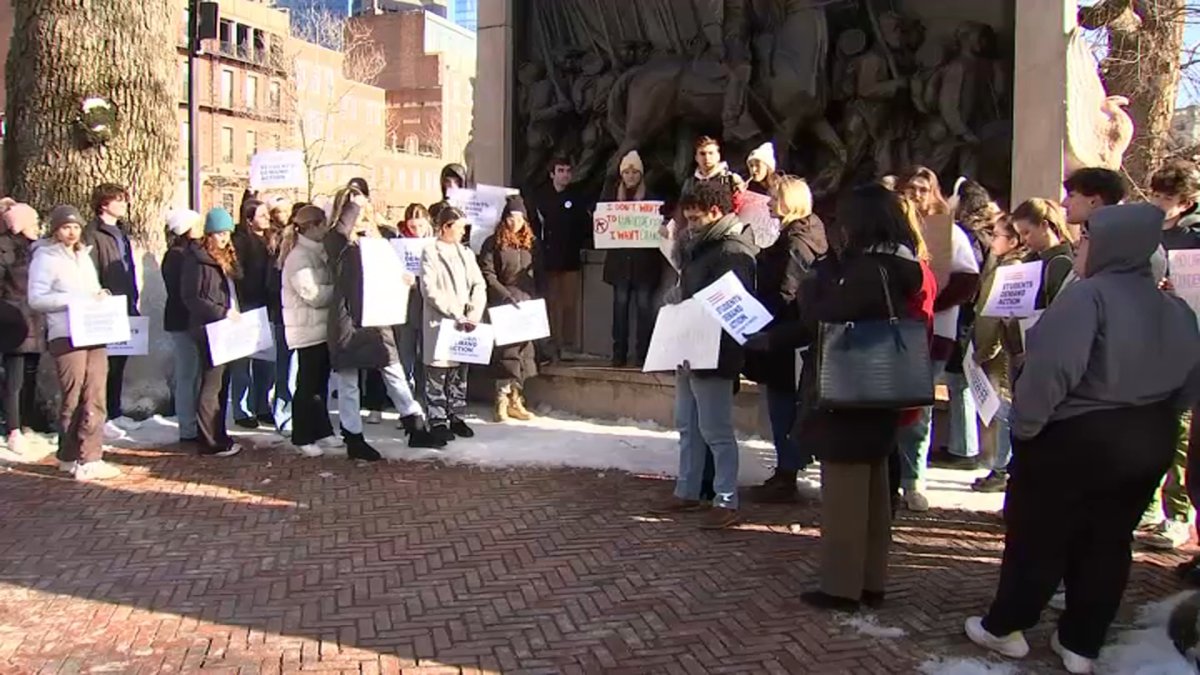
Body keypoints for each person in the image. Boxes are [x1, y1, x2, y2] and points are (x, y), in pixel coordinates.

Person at [964, 203, 1200, 675]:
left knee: (1039, 536)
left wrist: (1027, 429)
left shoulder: (1087, 298)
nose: (1079, 245)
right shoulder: (1176, 309)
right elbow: (1189, 385)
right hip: (1149, 436)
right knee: (1109, 540)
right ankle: (1082, 641)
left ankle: (1006, 627)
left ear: (1112, 244)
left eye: (1087, 237)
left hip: (1078, 436)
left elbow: (1050, 374)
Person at [748, 184, 935, 610]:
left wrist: (812, 286)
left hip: (849, 393)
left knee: (845, 497)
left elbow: (821, 317)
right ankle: (871, 581)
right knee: (874, 495)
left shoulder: (866, 271)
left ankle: (841, 586)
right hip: (881, 392)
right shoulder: (901, 264)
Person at [650, 179, 756, 530]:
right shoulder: (698, 246)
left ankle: (726, 499)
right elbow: (691, 288)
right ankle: (688, 489)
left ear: (716, 212)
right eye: (688, 218)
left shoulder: (731, 250)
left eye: (696, 218)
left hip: (716, 352)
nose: (691, 225)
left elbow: (734, 304)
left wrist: (691, 302)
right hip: (690, 347)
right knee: (687, 424)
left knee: (715, 429)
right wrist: (678, 298)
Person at [325, 188, 443, 457]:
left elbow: (391, 270)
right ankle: (353, 437)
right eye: (355, 209)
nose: (361, 214)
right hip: (349, 318)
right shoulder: (337, 242)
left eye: (363, 209)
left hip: (377, 316)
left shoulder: (379, 239)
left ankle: (415, 427)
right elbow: (339, 233)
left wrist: (404, 279)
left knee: (394, 371)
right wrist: (353, 206)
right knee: (349, 381)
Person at [898, 166, 980, 511]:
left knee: (918, 409)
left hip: (934, 331)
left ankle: (913, 480)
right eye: (911, 189)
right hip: (896, 330)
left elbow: (968, 278)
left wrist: (932, 302)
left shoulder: (951, 234)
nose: (917, 195)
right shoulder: (896, 229)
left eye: (923, 189)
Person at [744, 176, 827, 503]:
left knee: (783, 407)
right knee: (787, 405)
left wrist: (758, 320)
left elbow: (787, 293)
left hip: (784, 337)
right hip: (789, 335)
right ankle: (787, 468)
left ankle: (787, 472)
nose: (767, 203)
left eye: (773, 197)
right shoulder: (808, 234)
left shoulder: (795, 243)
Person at [28, 205, 122, 479]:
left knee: (95, 395)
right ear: (56, 230)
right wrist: (74, 300)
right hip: (66, 334)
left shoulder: (84, 256)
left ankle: (90, 456)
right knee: (73, 396)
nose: (71, 232)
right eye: (66, 227)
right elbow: (37, 299)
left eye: (76, 227)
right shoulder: (45, 258)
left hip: (93, 330)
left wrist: (99, 296)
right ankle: (69, 454)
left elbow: (90, 289)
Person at [1142, 161, 1200, 551]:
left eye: (1166, 197)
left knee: (1180, 430)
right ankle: (1145, 503)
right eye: (1155, 194)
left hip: (1186, 341)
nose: (1158, 203)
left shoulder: (1194, 238)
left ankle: (1176, 512)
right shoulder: (1143, 233)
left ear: (1185, 202)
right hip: (1147, 337)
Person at [278, 205, 346, 458]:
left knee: (320, 383)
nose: (326, 228)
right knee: (307, 384)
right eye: (322, 223)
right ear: (313, 226)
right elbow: (313, 295)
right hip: (306, 327)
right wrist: (339, 289)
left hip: (321, 327)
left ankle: (322, 429)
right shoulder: (299, 257)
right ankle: (302, 434)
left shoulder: (318, 251)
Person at [180, 209, 246, 459]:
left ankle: (220, 434)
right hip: (209, 327)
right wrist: (221, 312)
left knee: (222, 383)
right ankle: (209, 440)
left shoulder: (225, 258)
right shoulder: (196, 260)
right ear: (209, 234)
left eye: (227, 233)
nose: (224, 238)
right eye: (219, 233)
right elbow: (192, 297)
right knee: (212, 383)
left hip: (227, 326)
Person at [422, 207, 488, 442]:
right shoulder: (431, 251)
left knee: (459, 372)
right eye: (458, 227)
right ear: (445, 227)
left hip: (465, 322)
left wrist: (474, 312)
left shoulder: (466, 253)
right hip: (441, 321)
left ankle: (457, 415)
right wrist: (454, 312)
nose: (462, 232)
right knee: (438, 372)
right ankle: (437, 418)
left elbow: (479, 284)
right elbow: (430, 290)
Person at [969, 216, 1026, 493]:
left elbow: (997, 315)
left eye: (997, 235)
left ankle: (1001, 468)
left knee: (1002, 409)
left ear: (1013, 241)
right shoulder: (999, 265)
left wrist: (984, 350)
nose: (992, 241)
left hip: (999, 353)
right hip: (991, 348)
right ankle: (999, 465)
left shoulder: (1011, 270)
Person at [480, 196, 543, 423]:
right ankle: (501, 399)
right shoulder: (493, 243)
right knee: (507, 354)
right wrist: (505, 295)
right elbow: (488, 273)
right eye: (510, 217)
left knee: (525, 353)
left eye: (518, 218)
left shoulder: (531, 243)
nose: (514, 222)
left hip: (527, 302)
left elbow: (539, 274)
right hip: (504, 302)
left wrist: (536, 299)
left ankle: (517, 399)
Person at [83, 183, 140, 435]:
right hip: (105, 305)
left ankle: (115, 411)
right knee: (103, 364)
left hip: (125, 302)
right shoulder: (93, 233)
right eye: (118, 200)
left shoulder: (121, 232)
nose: (124, 204)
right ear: (104, 204)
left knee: (120, 360)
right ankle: (101, 415)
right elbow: (90, 268)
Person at [602, 151, 664, 367]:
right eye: (627, 172)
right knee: (619, 310)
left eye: (635, 172)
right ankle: (618, 354)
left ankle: (642, 354)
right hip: (620, 264)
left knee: (644, 309)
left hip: (644, 265)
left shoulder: (652, 199)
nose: (630, 176)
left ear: (641, 175)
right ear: (621, 174)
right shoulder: (611, 198)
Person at [528, 157, 591, 359]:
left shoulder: (577, 198)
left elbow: (585, 227)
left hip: (570, 260)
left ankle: (567, 345)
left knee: (569, 305)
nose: (565, 174)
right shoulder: (541, 198)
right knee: (551, 303)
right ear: (552, 174)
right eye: (561, 170)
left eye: (568, 171)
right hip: (548, 260)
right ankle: (550, 345)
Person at [0, 203, 45, 454]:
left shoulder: (36, 249)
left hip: (35, 317)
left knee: (31, 374)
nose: (36, 226)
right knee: (14, 378)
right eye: (33, 221)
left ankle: (27, 424)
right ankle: (13, 429)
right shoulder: (5, 249)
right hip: (14, 320)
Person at [228, 198, 276, 430]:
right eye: (262, 215)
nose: (267, 218)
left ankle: (262, 405)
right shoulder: (241, 241)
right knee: (243, 361)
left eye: (267, 214)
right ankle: (242, 409)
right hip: (247, 305)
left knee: (265, 361)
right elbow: (238, 274)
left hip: (266, 305)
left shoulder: (269, 239)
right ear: (249, 219)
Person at [161, 209, 205, 444]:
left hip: (192, 320)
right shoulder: (177, 256)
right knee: (187, 374)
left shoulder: (189, 253)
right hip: (182, 321)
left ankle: (195, 421)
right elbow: (182, 291)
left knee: (195, 373)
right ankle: (188, 427)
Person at [395, 203, 433, 410]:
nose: (416, 230)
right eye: (412, 226)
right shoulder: (399, 244)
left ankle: (426, 396)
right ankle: (406, 401)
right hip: (406, 307)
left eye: (420, 225)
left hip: (430, 307)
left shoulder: (435, 243)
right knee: (406, 354)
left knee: (427, 355)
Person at [679, 136, 747, 203]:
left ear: (718, 156)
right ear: (696, 157)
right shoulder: (689, 184)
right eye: (702, 154)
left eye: (711, 153)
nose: (707, 158)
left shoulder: (731, 180)